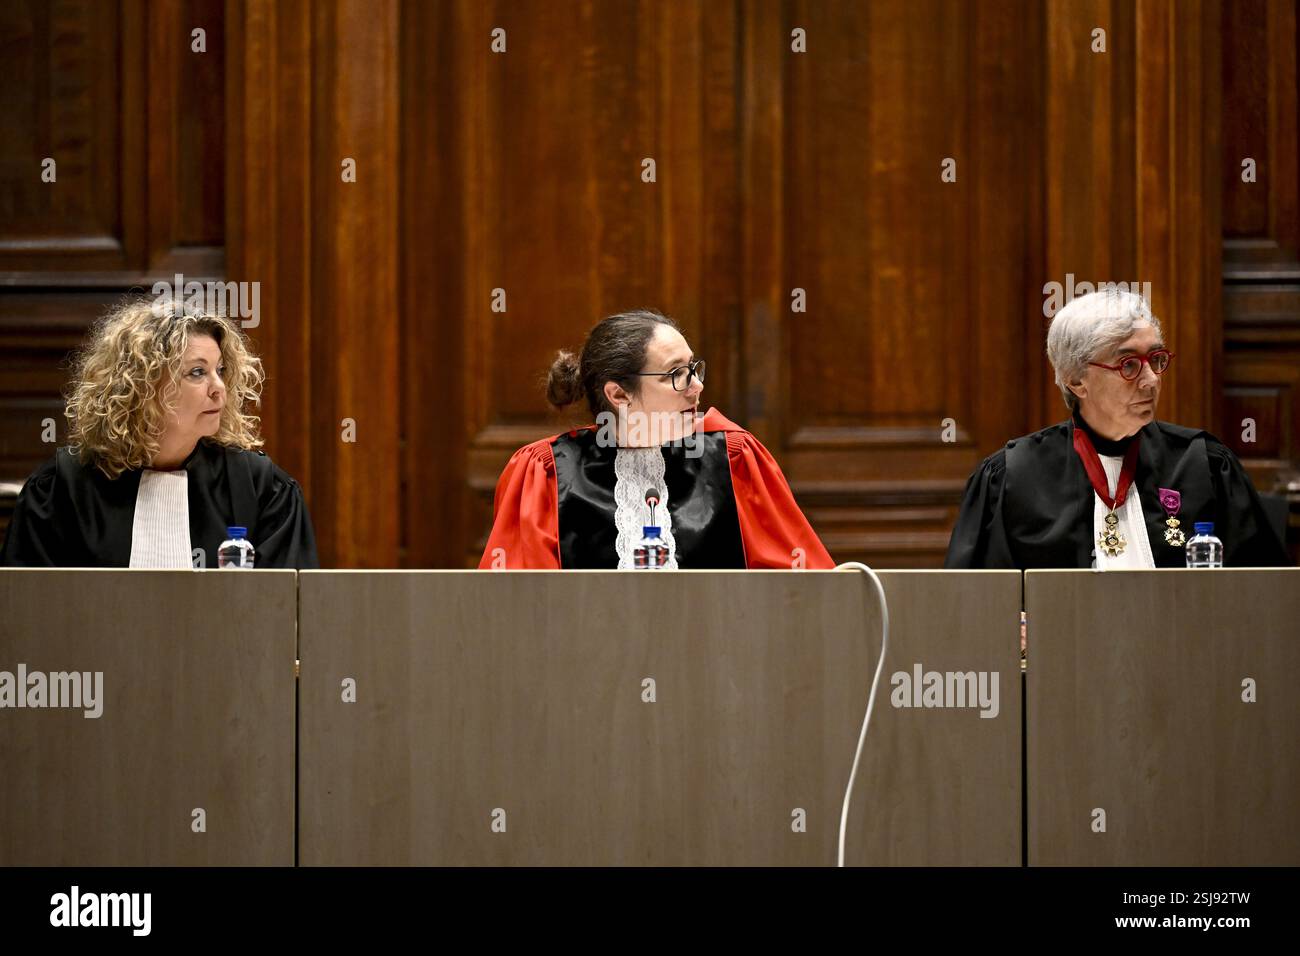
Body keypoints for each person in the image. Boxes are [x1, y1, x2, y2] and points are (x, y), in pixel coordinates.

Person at [945, 289, 1288, 569]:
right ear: (1076, 380)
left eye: (1156, 359)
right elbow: (977, 611)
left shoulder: (1205, 465)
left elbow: (1264, 599)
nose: (1151, 380)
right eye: (1129, 365)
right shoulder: (1012, 477)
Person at [480, 309, 834, 569]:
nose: (697, 387)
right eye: (676, 375)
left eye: (694, 369)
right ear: (619, 395)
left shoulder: (734, 459)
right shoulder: (545, 475)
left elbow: (801, 592)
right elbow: (518, 616)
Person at [0, 299, 318, 568]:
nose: (219, 388)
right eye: (197, 372)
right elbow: (30, 618)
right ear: (143, 386)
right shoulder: (62, 489)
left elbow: (286, 617)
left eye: (219, 370)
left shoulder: (263, 489)